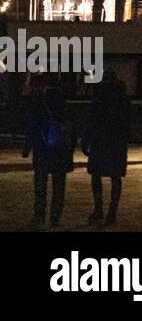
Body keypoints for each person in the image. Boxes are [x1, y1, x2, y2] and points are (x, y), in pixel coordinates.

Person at [22, 84, 76, 229]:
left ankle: (39, 215)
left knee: (40, 186)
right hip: (60, 154)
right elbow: (73, 134)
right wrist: (70, 153)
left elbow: (32, 130)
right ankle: (55, 217)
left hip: (42, 153)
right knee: (59, 187)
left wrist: (26, 149)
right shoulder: (66, 110)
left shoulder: (40, 109)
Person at [82, 68, 132, 225]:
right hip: (116, 142)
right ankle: (112, 211)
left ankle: (98, 209)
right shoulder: (122, 98)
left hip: (99, 140)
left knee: (96, 175)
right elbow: (127, 122)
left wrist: (86, 140)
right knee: (115, 176)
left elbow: (91, 119)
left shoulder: (99, 95)